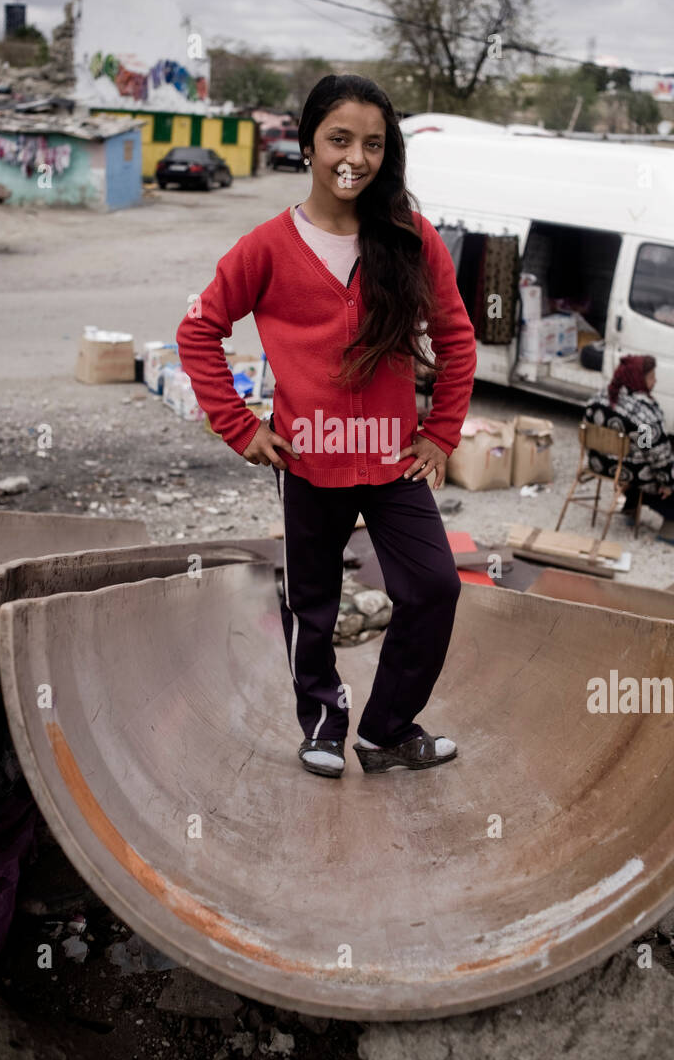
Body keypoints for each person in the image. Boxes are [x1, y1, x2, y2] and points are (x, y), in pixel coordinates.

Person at [176, 74, 477, 778]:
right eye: (339, 138)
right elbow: (199, 332)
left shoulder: (408, 237)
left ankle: (384, 730)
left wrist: (439, 435)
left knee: (433, 587)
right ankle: (321, 724)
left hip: (392, 462)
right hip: (308, 463)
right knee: (312, 606)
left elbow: (457, 339)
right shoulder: (266, 247)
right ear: (307, 141)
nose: (356, 157)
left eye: (373, 143)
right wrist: (240, 426)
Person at [584, 354, 674, 546]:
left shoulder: (599, 399)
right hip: (627, 472)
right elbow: (654, 453)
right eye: (651, 377)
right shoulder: (643, 415)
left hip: (599, 464)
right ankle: (668, 530)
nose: (655, 381)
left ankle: (630, 509)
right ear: (638, 379)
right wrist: (667, 481)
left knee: (635, 458)